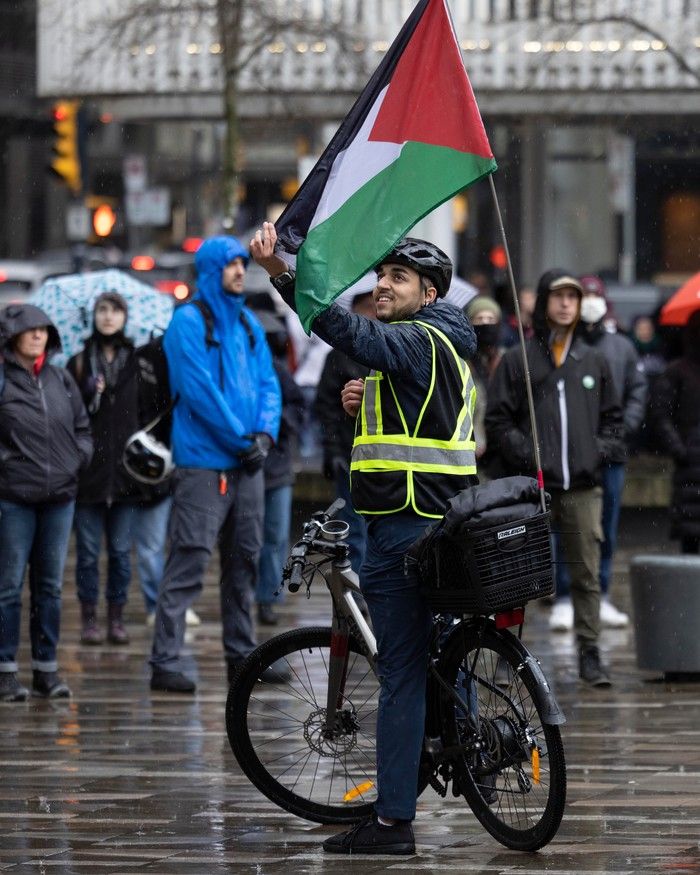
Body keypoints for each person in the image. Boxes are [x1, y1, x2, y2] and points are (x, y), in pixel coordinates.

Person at [252, 222, 477, 856]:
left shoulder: (415, 338)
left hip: (405, 526)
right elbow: (416, 423)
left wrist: (283, 274)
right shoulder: (446, 342)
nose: (381, 285)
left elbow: (347, 331)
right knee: (436, 654)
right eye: (380, 275)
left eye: (397, 277)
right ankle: (464, 750)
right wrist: (365, 400)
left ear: (429, 294)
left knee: (400, 672)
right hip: (439, 519)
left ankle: (393, 823)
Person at [149, 236, 281, 694]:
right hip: (205, 465)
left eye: (243, 264)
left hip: (247, 464)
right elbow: (198, 390)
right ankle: (165, 660)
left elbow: (269, 383)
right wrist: (242, 440)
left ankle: (242, 658)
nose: (241, 271)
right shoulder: (187, 321)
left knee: (244, 562)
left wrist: (264, 434)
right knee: (189, 559)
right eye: (231, 265)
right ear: (210, 270)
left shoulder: (247, 321)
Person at [485, 270, 623, 688]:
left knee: (586, 570)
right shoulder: (519, 360)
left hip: (581, 485)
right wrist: (528, 455)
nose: (566, 304)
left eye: (573, 297)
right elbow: (498, 419)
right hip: (532, 488)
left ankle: (590, 652)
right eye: (558, 296)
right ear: (544, 300)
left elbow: (613, 419)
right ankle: (507, 653)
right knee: (519, 572)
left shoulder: (592, 360)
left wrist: (595, 451)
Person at [0, 304, 93, 701]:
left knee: (50, 588)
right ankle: (5, 671)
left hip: (60, 498)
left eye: (43, 330)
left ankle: (46, 670)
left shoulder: (60, 378)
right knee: (8, 587)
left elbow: (83, 428)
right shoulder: (3, 380)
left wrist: (77, 460)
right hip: (14, 499)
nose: (38, 335)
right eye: (30, 330)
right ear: (12, 337)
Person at [549, 275, 647, 632]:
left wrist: (621, 428)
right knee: (568, 526)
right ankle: (564, 596)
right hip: (573, 455)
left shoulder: (621, 347)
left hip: (612, 453)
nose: (589, 301)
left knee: (606, 527)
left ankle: (600, 594)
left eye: (594, 295)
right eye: (584, 295)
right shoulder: (562, 345)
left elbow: (637, 391)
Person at [67, 292, 140, 646]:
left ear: (125, 317)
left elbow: (147, 412)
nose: (108, 316)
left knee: (121, 555)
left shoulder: (136, 361)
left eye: (115, 310)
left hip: (126, 476)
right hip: (89, 477)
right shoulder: (80, 362)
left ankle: (116, 618)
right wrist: (88, 391)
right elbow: (67, 416)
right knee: (87, 555)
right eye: (102, 310)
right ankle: (89, 619)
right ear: (93, 316)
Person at [314, 290, 375, 574]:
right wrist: (333, 450)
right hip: (350, 454)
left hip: (381, 457)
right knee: (354, 530)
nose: (373, 314)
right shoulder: (338, 357)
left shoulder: (389, 352)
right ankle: (356, 588)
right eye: (367, 307)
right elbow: (325, 407)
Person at [253, 305, 305, 626]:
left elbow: (298, 407)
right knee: (247, 537)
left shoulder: (277, 371)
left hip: (276, 467)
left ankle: (268, 597)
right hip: (246, 466)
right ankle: (246, 593)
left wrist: (275, 423)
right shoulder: (237, 372)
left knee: (274, 535)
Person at [649, 311, 700, 553]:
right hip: (689, 468)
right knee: (691, 542)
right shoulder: (677, 372)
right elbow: (660, 415)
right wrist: (679, 449)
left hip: (688, 462)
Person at [463, 295, 503, 468]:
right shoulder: (462, 362)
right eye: (479, 319)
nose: (485, 324)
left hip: (500, 451)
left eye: (490, 319)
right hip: (472, 451)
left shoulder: (506, 360)